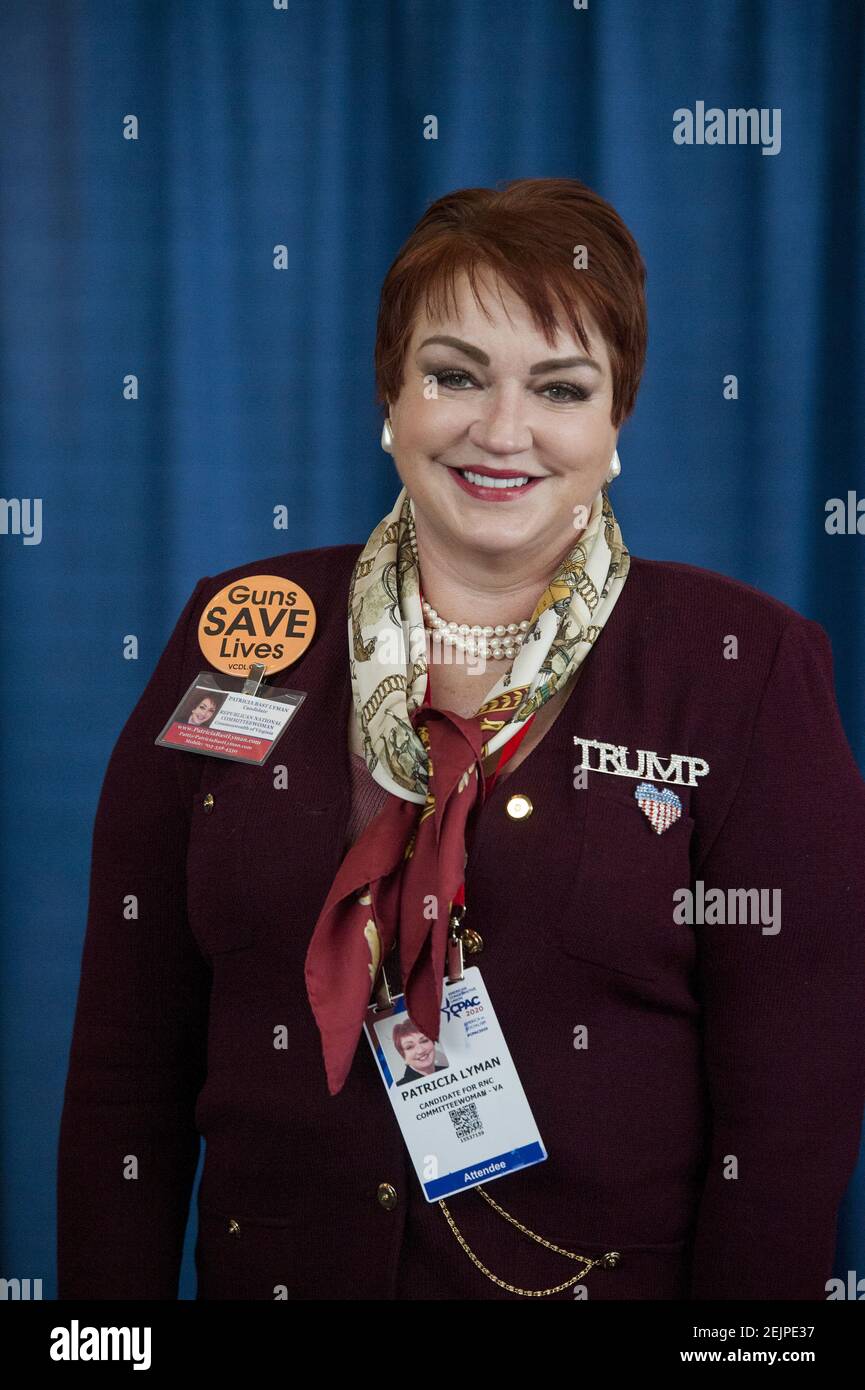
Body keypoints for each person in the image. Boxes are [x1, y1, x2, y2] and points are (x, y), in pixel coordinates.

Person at [57, 177, 865, 1302]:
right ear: (390, 394)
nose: (500, 431)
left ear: (614, 417)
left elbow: (791, 1119)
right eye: (453, 376)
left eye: (560, 387)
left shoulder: (742, 669)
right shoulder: (236, 631)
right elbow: (122, 1075)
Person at [392, 1020, 450, 1085]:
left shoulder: (448, 1070)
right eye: (409, 1047)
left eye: (424, 1041)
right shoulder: (401, 1086)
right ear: (403, 1056)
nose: (420, 1050)